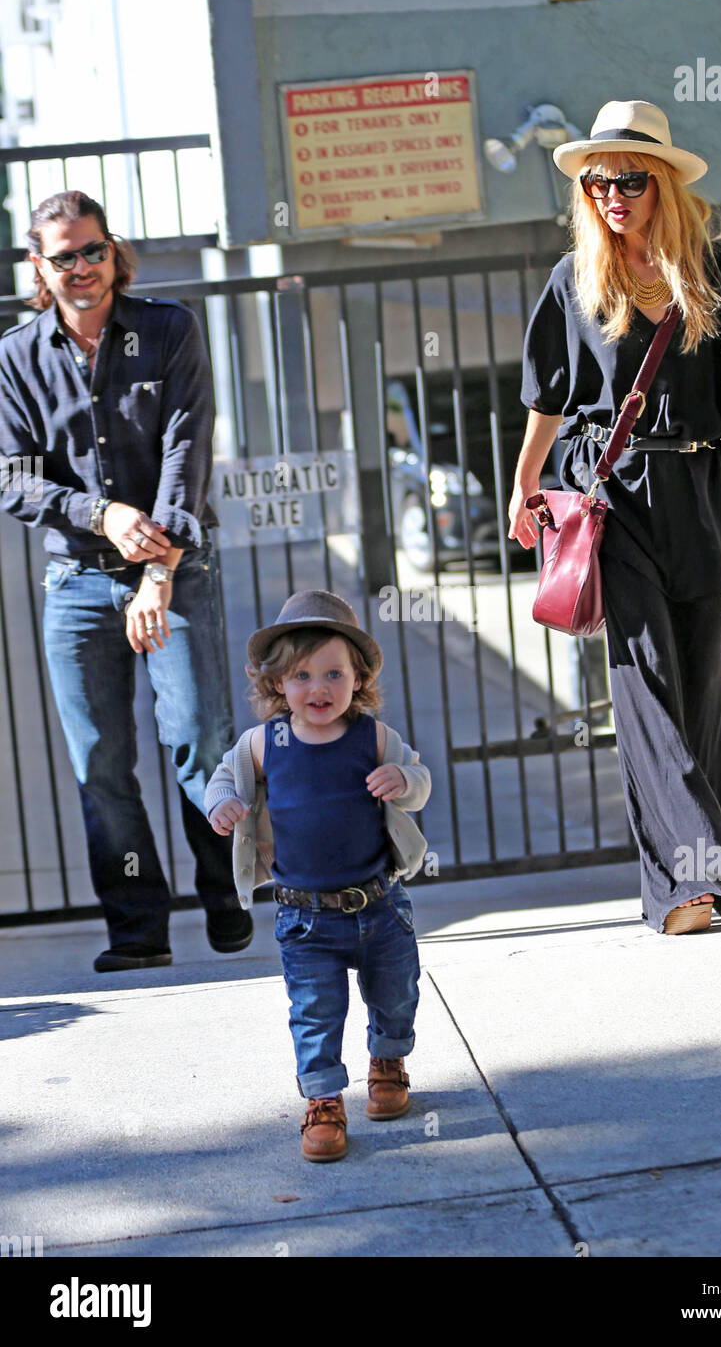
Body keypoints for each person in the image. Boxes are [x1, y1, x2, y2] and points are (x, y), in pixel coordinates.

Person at [508, 101, 721, 936]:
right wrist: (521, 491)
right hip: (612, 495)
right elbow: (547, 404)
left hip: (702, 496)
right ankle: (688, 881)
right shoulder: (574, 282)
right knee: (645, 682)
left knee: (699, 687)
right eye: (598, 183)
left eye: (629, 179)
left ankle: (703, 880)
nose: (613, 195)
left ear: (662, 183)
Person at [0, 189, 250, 970]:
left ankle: (224, 893)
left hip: (178, 571)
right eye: (64, 255)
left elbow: (188, 451)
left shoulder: (169, 330)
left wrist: (159, 569)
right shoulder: (15, 356)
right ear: (39, 266)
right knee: (102, 762)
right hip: (75, 582)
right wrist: (99, 512)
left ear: (115, 251)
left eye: (93, 250)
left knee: (196, 740)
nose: (82, 267)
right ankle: (137, 929)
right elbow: (11, 477)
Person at [204, 590, 430, 1163]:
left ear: (358, 679)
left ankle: (387, 1062)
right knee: (315, 1012)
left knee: (396, 995)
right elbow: (222, 781)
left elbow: (421, 779)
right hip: (305, 917)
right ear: (278, 683)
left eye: (334, 673)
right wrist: (224, 805)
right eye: (302, 675)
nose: (318, 688)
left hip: (380, 906)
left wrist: (402, 781)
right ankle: (324, 1100)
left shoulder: (372, 737)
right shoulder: (263, 743)